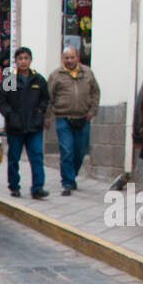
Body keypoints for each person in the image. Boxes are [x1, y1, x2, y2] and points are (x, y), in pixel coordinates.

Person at [0, 46, 50, 199]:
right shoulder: (10, 79)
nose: (23, 61)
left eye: (26, 58)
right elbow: (1, 101)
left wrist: (40, 112)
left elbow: (45, 99)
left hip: (34, 126)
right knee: (14, 158)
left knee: (37, 156)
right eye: (20, 59)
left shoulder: (38, 80)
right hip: (15, 127)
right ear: (16, 61)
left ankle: (38, 188)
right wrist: (11, 115)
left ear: (30, 60)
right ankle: (14, 186)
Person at [47, 45, 101, 195]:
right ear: (62, 59)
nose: (69, 60)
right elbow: (48, 98)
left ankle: (72, 175)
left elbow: (95, 92)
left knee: (80, 151)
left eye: (72, 57)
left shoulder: (87, 73)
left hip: (83, 118)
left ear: (77, 57)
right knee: (67, 151)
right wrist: (46, 117)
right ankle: (67, 182)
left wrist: (92, 111)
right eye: (66, 58)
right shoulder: (56, 75)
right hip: (63, 118)